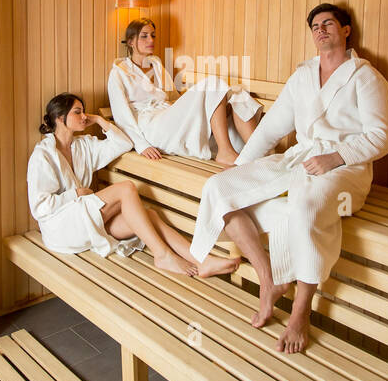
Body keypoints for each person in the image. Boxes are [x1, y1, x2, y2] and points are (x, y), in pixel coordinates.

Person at [188, 4, 388, 354]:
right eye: (314, 26)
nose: (320, 30)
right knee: (220, 188)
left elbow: (383, 136)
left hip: (345, 169)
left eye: (328, 23)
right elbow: (271, 127)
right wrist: (242, 166)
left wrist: (334, 158)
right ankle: (269, 281)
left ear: (346, 30)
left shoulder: (366, 77)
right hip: (299, 158)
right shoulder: (303, 76)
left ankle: (301, 312)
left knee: (302, 210)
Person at [27, 92, 240, 278]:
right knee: (126, 188)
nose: (84, 117)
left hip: (84, 221)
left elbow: (123, 143)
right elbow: (39, 207)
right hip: (60, 228)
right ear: (60, 118)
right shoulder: (43, 155)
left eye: (84, 112)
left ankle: (202, 261)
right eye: (78, 112)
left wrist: (101, 121)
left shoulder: (83, 147)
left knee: (150, 216)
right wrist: (76, 193)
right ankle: (162, 254)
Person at [108, 18, 262, 167]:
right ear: (130, 42)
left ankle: (257, 152)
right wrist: (141, 145)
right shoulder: (119, 73)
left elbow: (174, 99)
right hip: (151, 128)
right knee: (213, 83)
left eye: (153, 35)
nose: (151, 40)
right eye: (144, 36)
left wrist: (204, 106)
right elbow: (121, 116)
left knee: (237, 94)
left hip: (169, 118)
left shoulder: (157, 65)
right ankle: (225, 151)